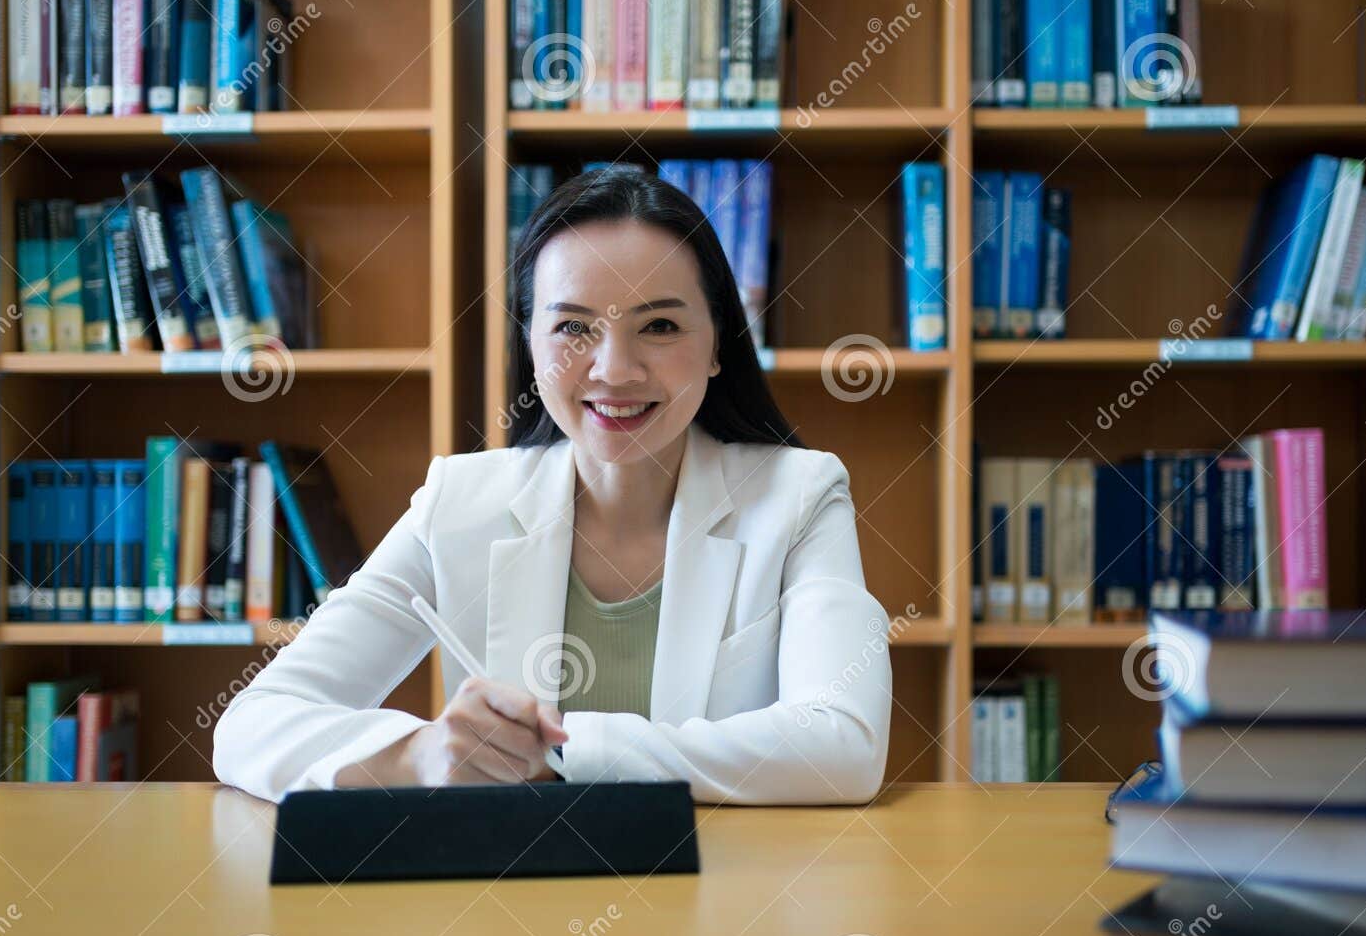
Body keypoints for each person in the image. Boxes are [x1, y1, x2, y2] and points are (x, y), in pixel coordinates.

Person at [212, 165, 891, 805]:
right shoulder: (460, 503)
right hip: (516, 902)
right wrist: (417, 754)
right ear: (530, 343)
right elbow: (251, 725)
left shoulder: (800, 495)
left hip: (727, 901)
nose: (614, 369)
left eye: (659, 325)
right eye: (573, 326)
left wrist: (568, 752)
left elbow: (845, 745)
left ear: (718, 344)